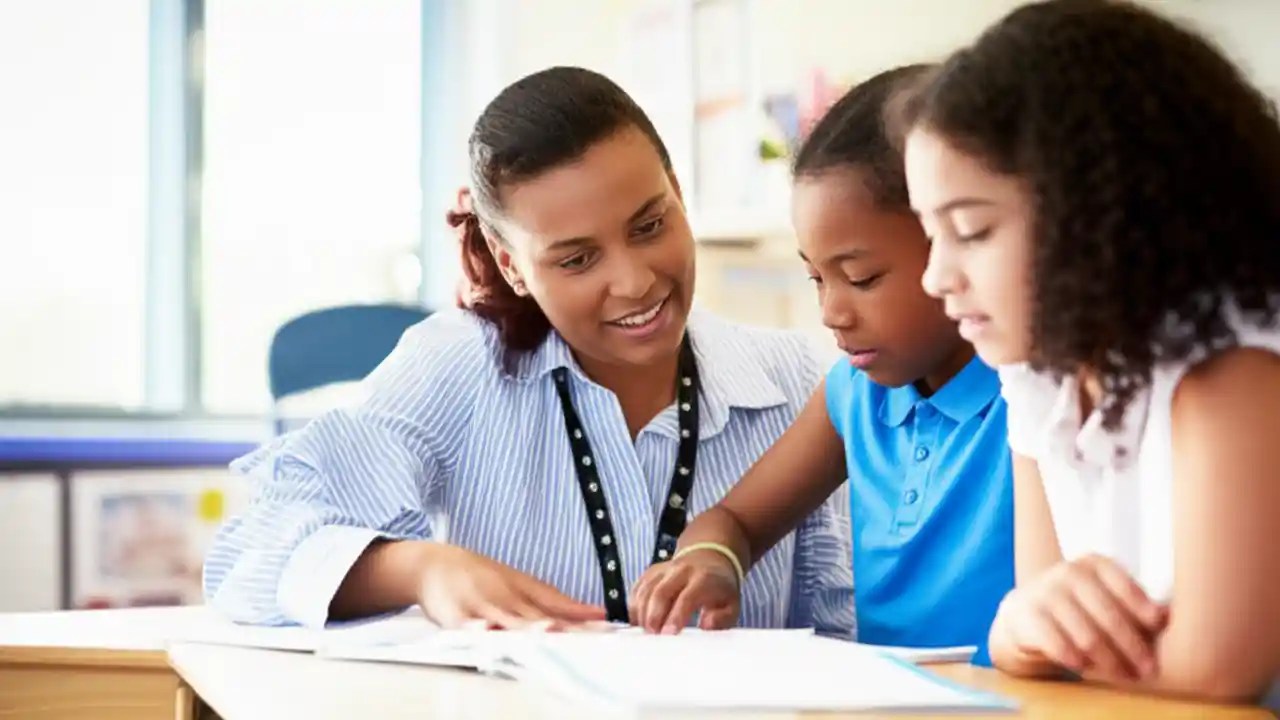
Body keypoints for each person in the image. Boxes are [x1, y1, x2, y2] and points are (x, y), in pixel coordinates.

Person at [203, 66, 853, 635]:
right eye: (576, 259)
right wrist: (420, 569)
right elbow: (244, 556)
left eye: (650, 225)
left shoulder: (794, 382)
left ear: (679, 197)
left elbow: (842, 630)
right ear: (513, 267)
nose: (633, 281)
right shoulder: (459, 367)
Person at [904, 0, 1280, 705]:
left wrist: (1022, 631)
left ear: (1106, 213)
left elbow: (1216, 667)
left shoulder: (1233, 372)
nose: (935, 276)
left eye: (973, 230)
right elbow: (1043, 616)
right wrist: (1025, 628)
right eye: (931, 231)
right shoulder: (1038, 378)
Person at [629, 66, 1013, 650]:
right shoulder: (854, 396)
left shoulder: (1030, 390)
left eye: (862, 278)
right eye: (816, 278)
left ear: (957, 239)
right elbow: (735, 520)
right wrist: (711, 561)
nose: (832, 311)